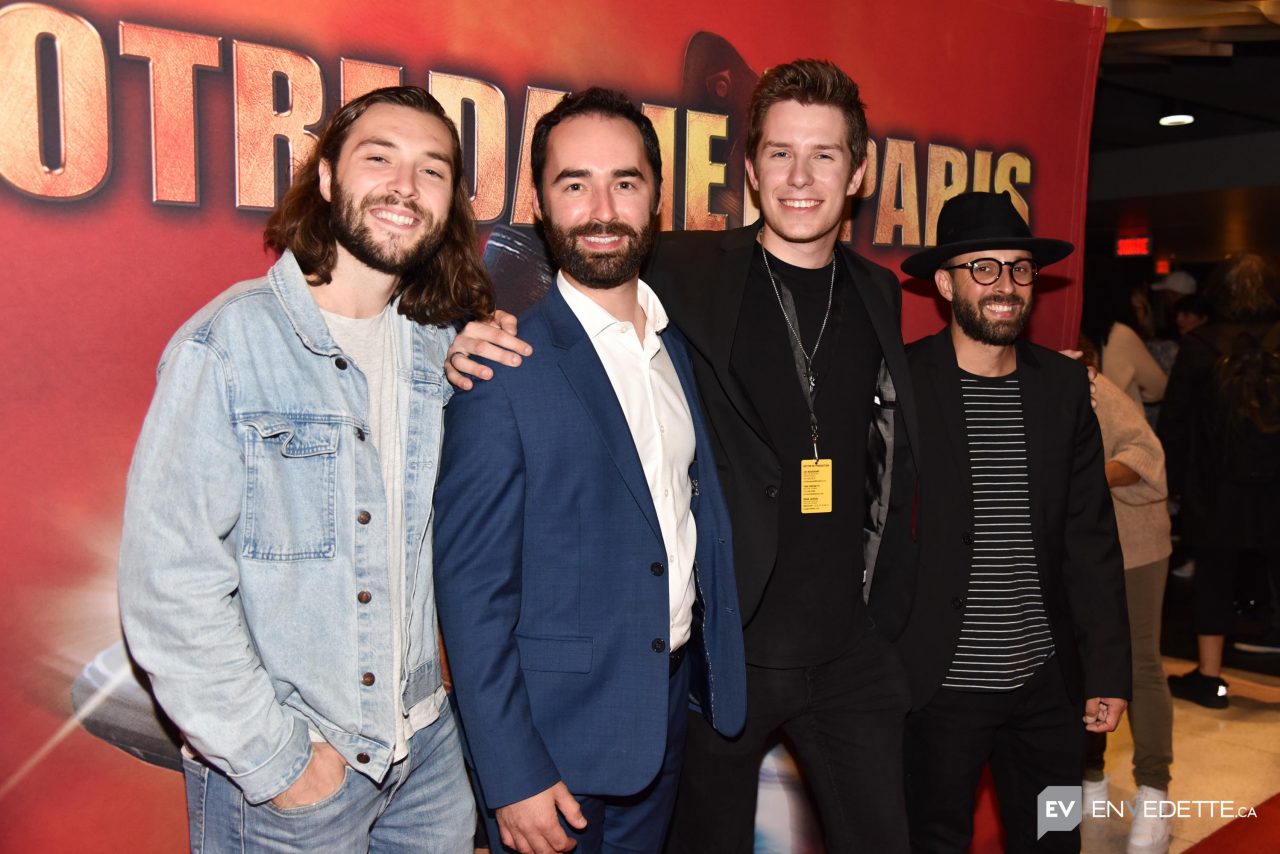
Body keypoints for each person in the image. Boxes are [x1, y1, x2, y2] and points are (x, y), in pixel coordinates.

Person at [447, 59, 921, 853]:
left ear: (860, 172)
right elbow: (575, 275)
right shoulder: (687, 272)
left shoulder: (879, 292)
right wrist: (465, 338)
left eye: (825, 156)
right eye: (779, 154)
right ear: (749, 168)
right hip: (726, 660)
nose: (800, 178)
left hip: (839, 652)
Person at [116, 86, 487, 852]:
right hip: (297, 775)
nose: (404, 187)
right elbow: (167, 584)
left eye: (432, 171)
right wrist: (278, 761)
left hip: (427, 760)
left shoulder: (437, 351)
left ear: (450, 205)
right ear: (326, 180)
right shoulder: (229, 344)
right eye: (378, 158)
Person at [433, 88, 747, 854]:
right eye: (575, 184)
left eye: (626, 183)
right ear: (541, 202)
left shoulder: (676, 348)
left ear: (657, 200)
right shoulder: (505, 366)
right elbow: (471, 594)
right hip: (553, 751)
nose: (602, 208)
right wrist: (510, 775)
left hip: (666, 719)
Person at [896, 191, 1131, 854]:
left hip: (1048, 694)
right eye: (985, 268)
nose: (1006, 285)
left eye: (1019, 268)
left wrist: (1107, 671)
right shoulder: (902, 386)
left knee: (1055, 840)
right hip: (937, 693)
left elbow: (1090, 538)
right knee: (932, 843)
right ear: (944, 284)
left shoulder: (1062, 389)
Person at [1161, 253, 1280, 701]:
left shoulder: (1200, 344)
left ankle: (1210, 678)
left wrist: (1170, 487)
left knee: (1213, 576)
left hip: (1216, 487)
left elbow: (1174, 424)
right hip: (1277, 485)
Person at [1077, 342, 1175, 852]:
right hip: (1085, 550)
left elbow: (1145, 455)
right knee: (1081, 664)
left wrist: (1086, 476)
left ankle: (1156, 794)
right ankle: (1089, 776)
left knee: (1138, 664)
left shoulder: (1094, 388)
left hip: (1135, 542)